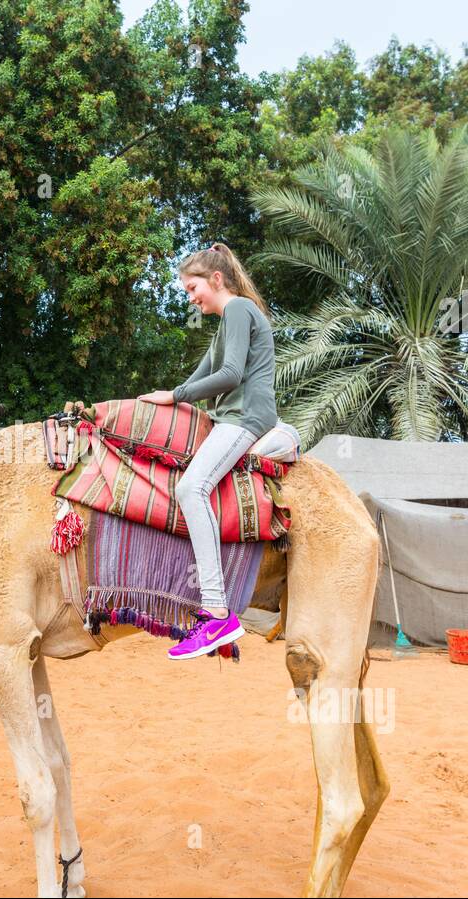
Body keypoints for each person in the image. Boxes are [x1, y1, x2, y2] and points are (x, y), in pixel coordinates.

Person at [139, 242, 278, 661]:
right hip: (228, 420)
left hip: (244, 419)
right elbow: (200, 376)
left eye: (192, 287)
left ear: (217, 280)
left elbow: (230, 374)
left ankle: (217, 610)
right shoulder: (225, 325)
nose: (191, 297)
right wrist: (165, 398)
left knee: (191, 488)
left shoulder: (238, 310)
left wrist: (177, 394)